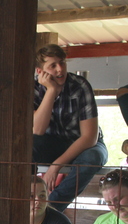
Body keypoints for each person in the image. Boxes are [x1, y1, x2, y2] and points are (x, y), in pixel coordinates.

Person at [33, 44, 108, 212]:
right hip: (53, 142)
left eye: (62, 63)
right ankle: (28, 201)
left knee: (92, 159)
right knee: (25, 148)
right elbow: (37, 130)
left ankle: (51, 209)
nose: (60, 69)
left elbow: (89, 137)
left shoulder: (80, 86)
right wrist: (51, 91)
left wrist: (57, 165)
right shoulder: (33, 89)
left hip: (86, 143)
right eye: (53, 66)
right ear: (40, 71)